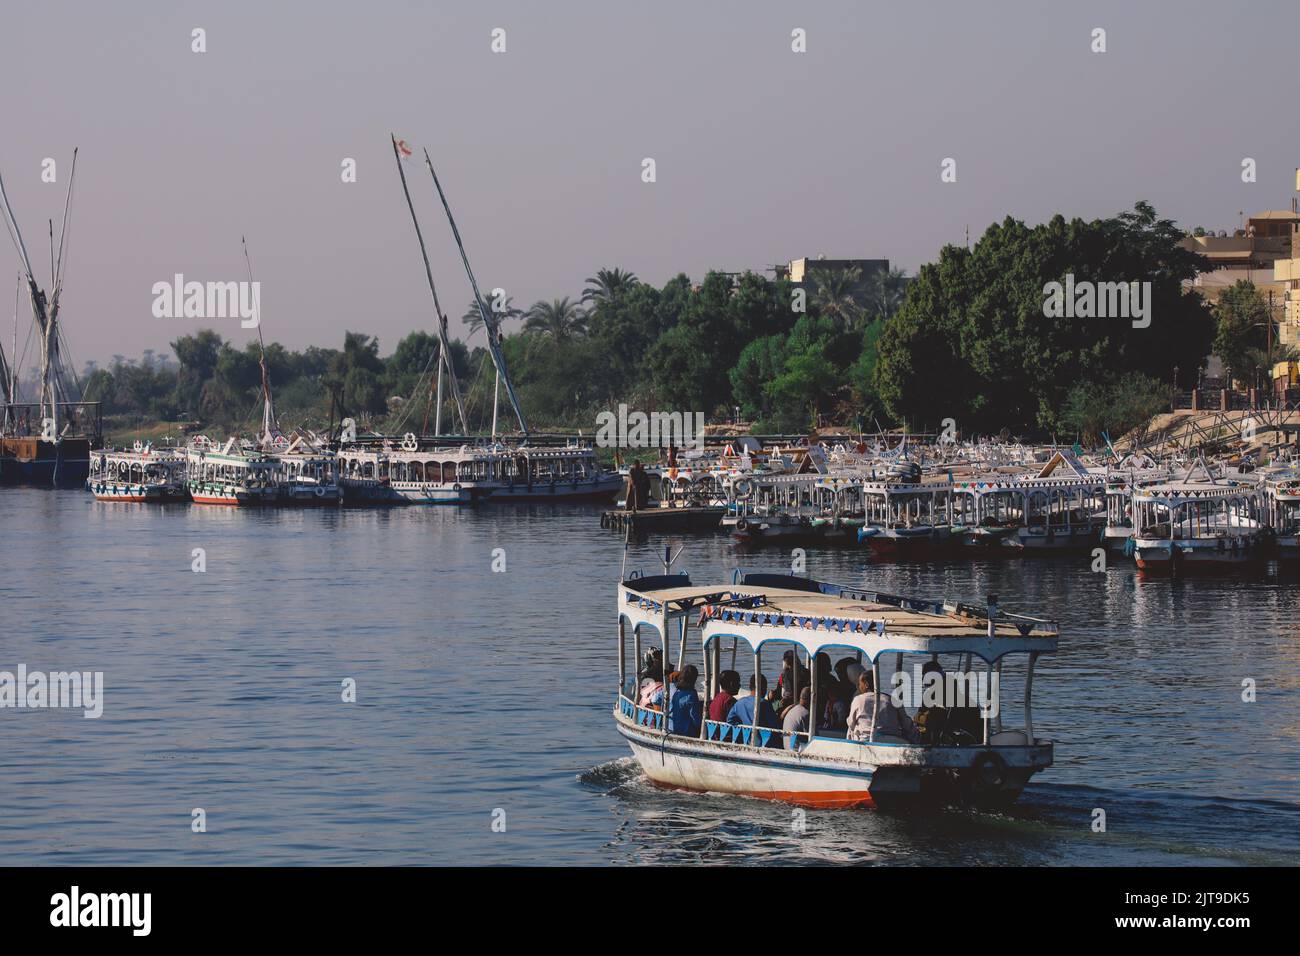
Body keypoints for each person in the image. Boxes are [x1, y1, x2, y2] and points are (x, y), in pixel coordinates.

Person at [846, 671, 918, 743]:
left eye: (860, 684)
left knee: (852, 727)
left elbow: (851, 723)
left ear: (866, 684)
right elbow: (906, 722)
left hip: (867, 739)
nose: (859, 687)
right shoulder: (892, 699)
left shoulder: (858, 699)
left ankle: (848, 748)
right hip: (893, 739)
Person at [727, 674, 783, 746]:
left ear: (750, 687)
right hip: (766, 743)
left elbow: (730, 721)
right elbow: (776, 727)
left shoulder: (740, 703)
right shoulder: (764, 704)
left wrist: (745, 726)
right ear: (762, 687)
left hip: (748, 741)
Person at [668, 665, 702, 738]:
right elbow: (695, 718)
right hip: (686, 732)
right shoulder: (691, 695)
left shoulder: (676, 692)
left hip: (672, 728)